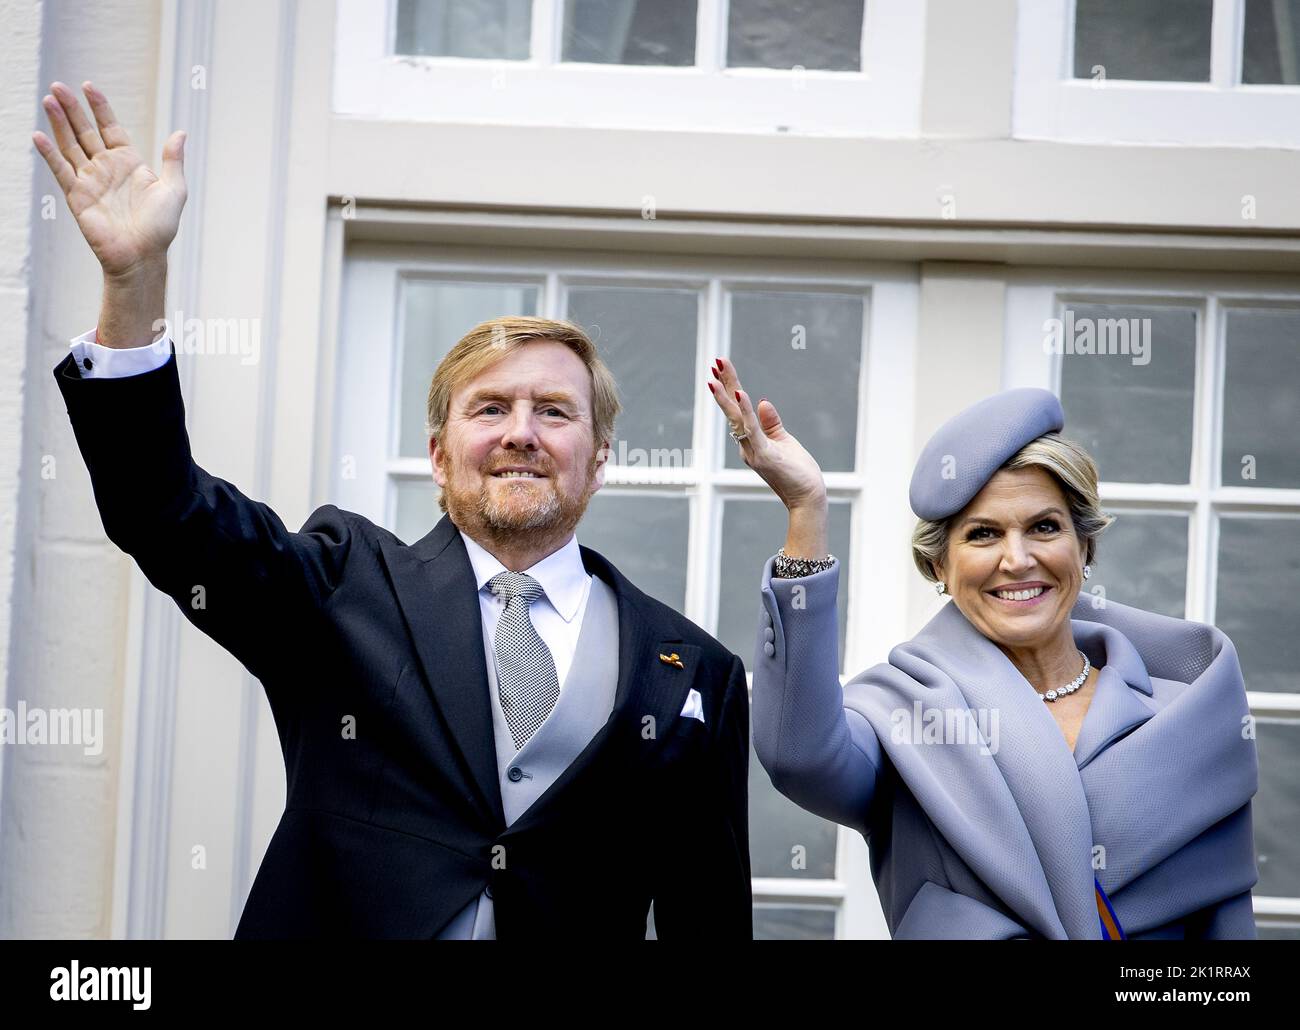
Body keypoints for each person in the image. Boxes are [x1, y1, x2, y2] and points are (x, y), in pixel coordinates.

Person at [36, 80, 752, 939]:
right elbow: (164, 512)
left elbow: (710, 921)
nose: (521, 433)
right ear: (440, 456)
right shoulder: (342, 583)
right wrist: (135, 282)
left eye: (555, 412)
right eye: (491, 408)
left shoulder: (695, 674)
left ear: (599, 461)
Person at [707, 359, 1259, 939]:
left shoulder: (1183, 717)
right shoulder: (904, 717)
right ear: (939, 567)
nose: (1017, 560)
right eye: (983, 534)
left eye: (1044, 527)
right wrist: (806, 509)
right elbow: (800, 757)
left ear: (1084, 548)